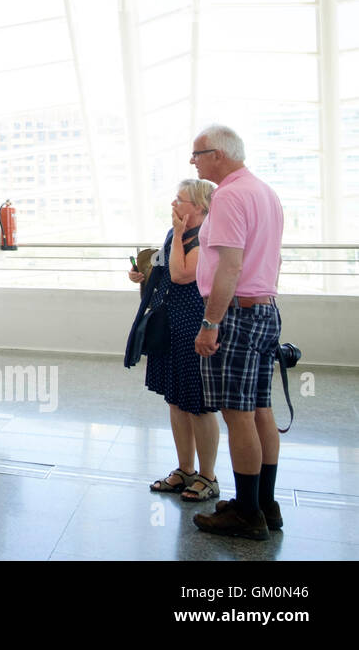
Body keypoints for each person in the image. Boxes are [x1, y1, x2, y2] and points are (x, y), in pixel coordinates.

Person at [189, 125, 285, 541]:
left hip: (237, 315)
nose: (192, 161)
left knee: (237, 413)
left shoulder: (229, 195)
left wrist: (211, 323)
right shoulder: (264, 191)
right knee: (261, 408)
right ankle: (264, 503)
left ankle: (247, 515)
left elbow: (230, 265)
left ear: (219, 154)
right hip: (264, 309)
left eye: (197, 153)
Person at [128, 179, 221, 502]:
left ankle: (208, 476)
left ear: (200, 207)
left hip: (195, 325)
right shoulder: (173, 235)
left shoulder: (207, 238)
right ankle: (185, 469)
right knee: (175, 399)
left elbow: (182, 274)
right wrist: (141, 274)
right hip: (170, 325)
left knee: (198, 404)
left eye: (180, 200)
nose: (173, 204)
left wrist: (179, 235)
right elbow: (163, 268)